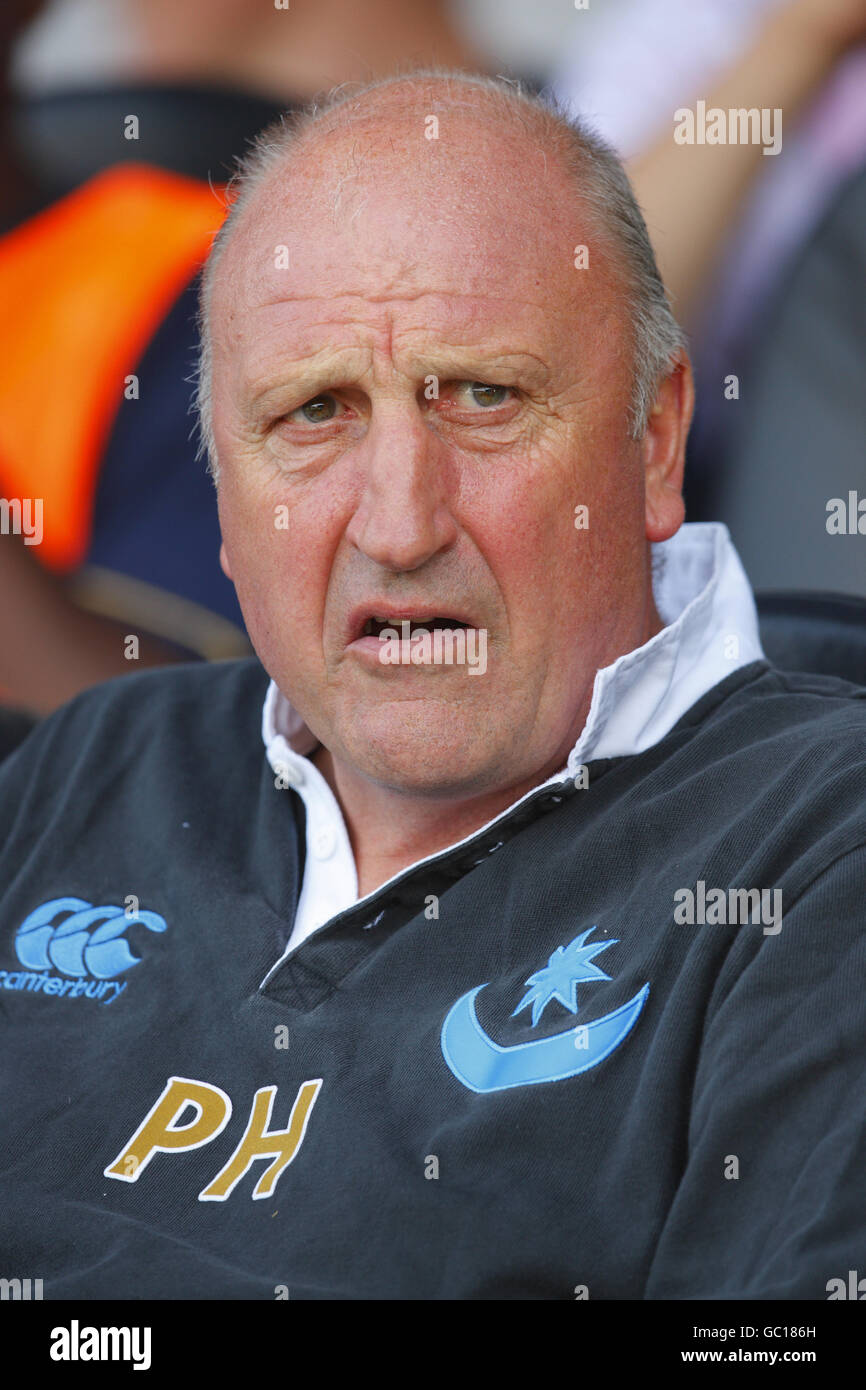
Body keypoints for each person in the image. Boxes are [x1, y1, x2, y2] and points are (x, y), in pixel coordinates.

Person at [0, 71, 863, 1301]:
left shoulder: (815, 853)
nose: (399, 525)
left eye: (483, 396)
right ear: (226, 511)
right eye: (312, 413)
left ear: (653, 441)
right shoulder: (82, 766)